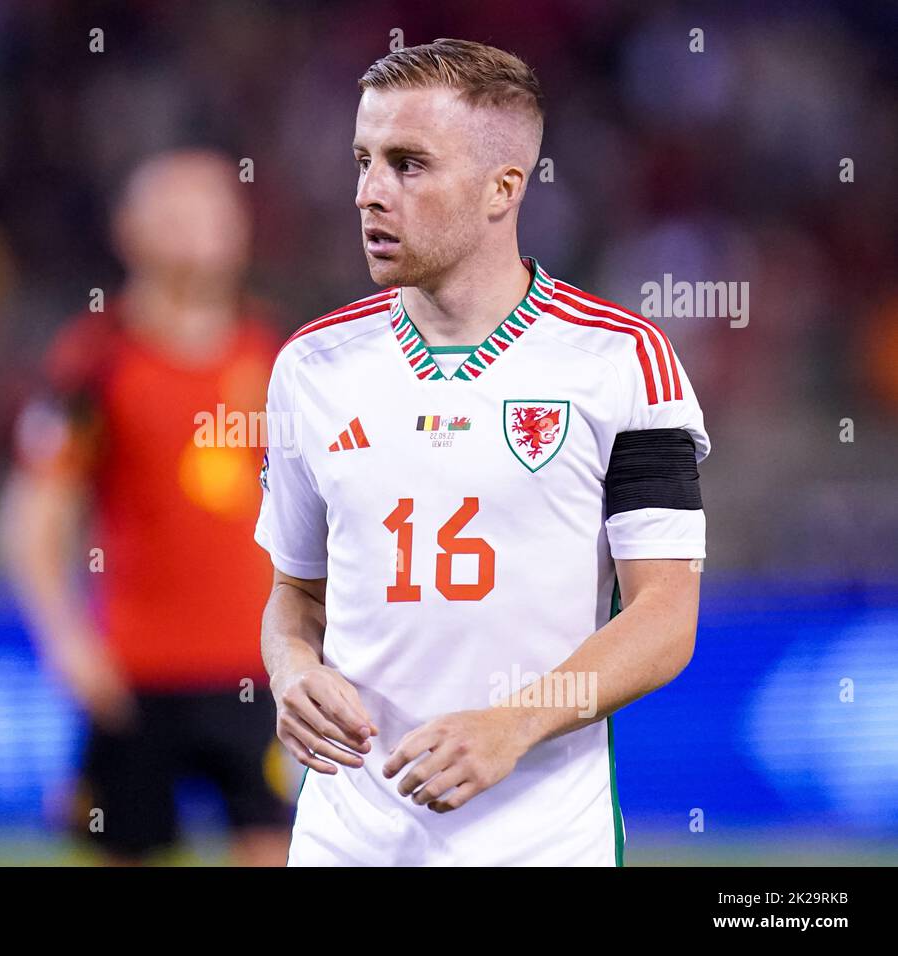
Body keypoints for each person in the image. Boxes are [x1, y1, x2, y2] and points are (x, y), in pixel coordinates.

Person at [256, 39, 709, 866]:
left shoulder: (622, 361)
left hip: (540, 841)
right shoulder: (310, 367)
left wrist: (514, 724)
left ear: (505, 188)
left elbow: (665, 617)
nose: (367, 193)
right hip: (345, 838)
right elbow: (295, 595)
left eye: (407, 164)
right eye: (362, 161)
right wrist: (289, 672)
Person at [1, 149, 291, 865]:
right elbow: (37, 514)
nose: (200, 229)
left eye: (215, 209)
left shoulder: (283, 356)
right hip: (133, 677)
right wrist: (66, 639)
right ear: (130, 230)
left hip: (260, 672)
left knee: (278, 849)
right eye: (178, 211)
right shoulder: (94, 361)